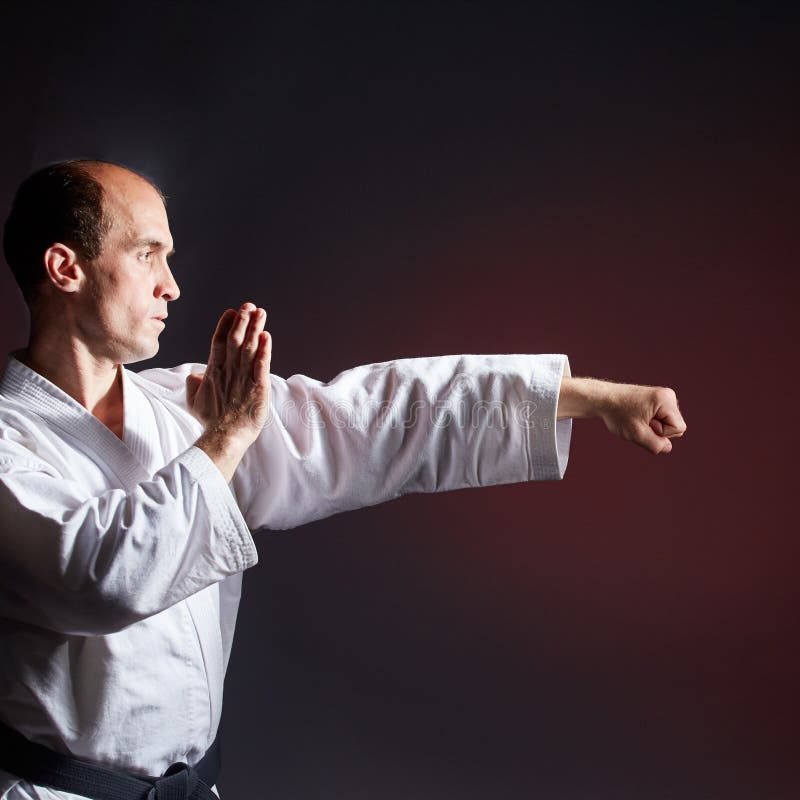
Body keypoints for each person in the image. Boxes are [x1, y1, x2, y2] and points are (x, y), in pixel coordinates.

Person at [0, 160, 686, 799]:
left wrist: (585, 396)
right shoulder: (16, 441)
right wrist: (227, 437)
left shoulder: (185, 407)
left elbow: (370, 419)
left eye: (169, 259)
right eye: (148, 253)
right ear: (66, 267)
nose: (171, 285)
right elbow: (98, 577)